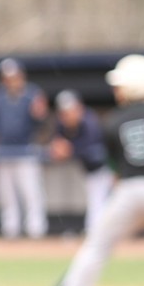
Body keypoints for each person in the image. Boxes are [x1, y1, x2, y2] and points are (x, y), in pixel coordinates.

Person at [52, 54, 144, 286]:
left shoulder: (114, 120)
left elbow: (114, 166)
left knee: (96, 247)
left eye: (121, 85)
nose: (116, 90)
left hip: (132, 191)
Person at [0, 57, 50, 238]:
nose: (11, 80)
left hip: (25, 149)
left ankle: (36, 230)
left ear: (21, 76)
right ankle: (10, 230)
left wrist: (40, 116)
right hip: (3, 150)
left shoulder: (32, 94)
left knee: (31, 192)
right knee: (6, 195)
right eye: (7, 77)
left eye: (14, 76)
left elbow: (42, 125)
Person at [47, 89, 112, 233]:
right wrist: (57, 147)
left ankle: (96, 231)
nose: (66, 115)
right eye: (63, 112)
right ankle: (96, 230)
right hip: (88, 169)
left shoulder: (90, 123)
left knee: (100, 200)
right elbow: (57, 141)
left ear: (79, 108)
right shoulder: (62, 123)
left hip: (107, 167)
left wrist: (70, 150)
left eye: (70, 110)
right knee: (96, 200)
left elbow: (95, 153)